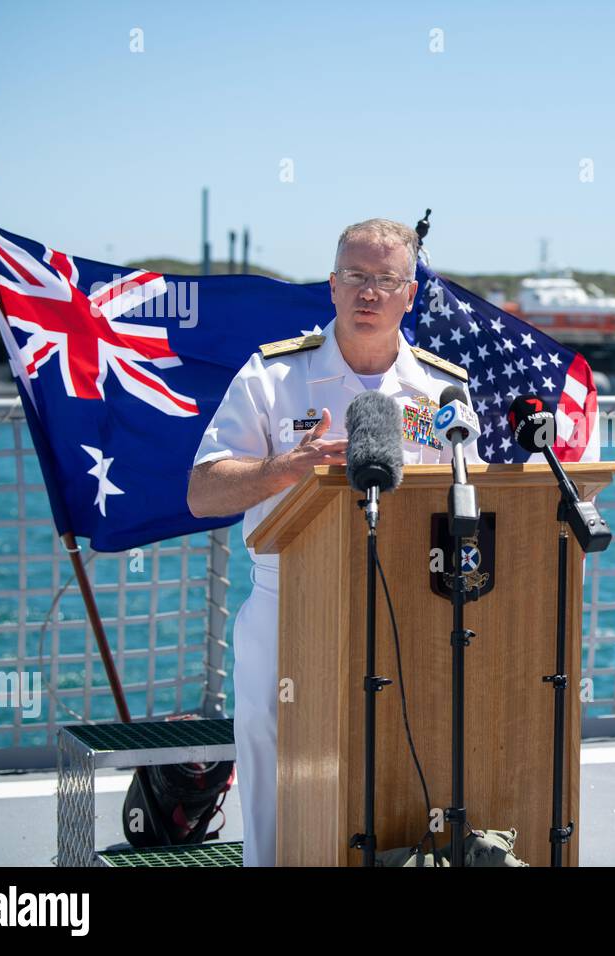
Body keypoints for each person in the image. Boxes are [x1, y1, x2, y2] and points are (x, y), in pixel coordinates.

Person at [187, 218, 481, 866]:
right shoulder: (272, 376)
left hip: (411, 608)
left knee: (408, 758)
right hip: (288, 602)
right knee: (274, 759)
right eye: (355, 277)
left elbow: (473, 507)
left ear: (410, 295)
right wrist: (287, 468)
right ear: (332, 285)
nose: (368, 293)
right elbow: (202, 491)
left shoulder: (445, 391)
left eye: (385, 280)